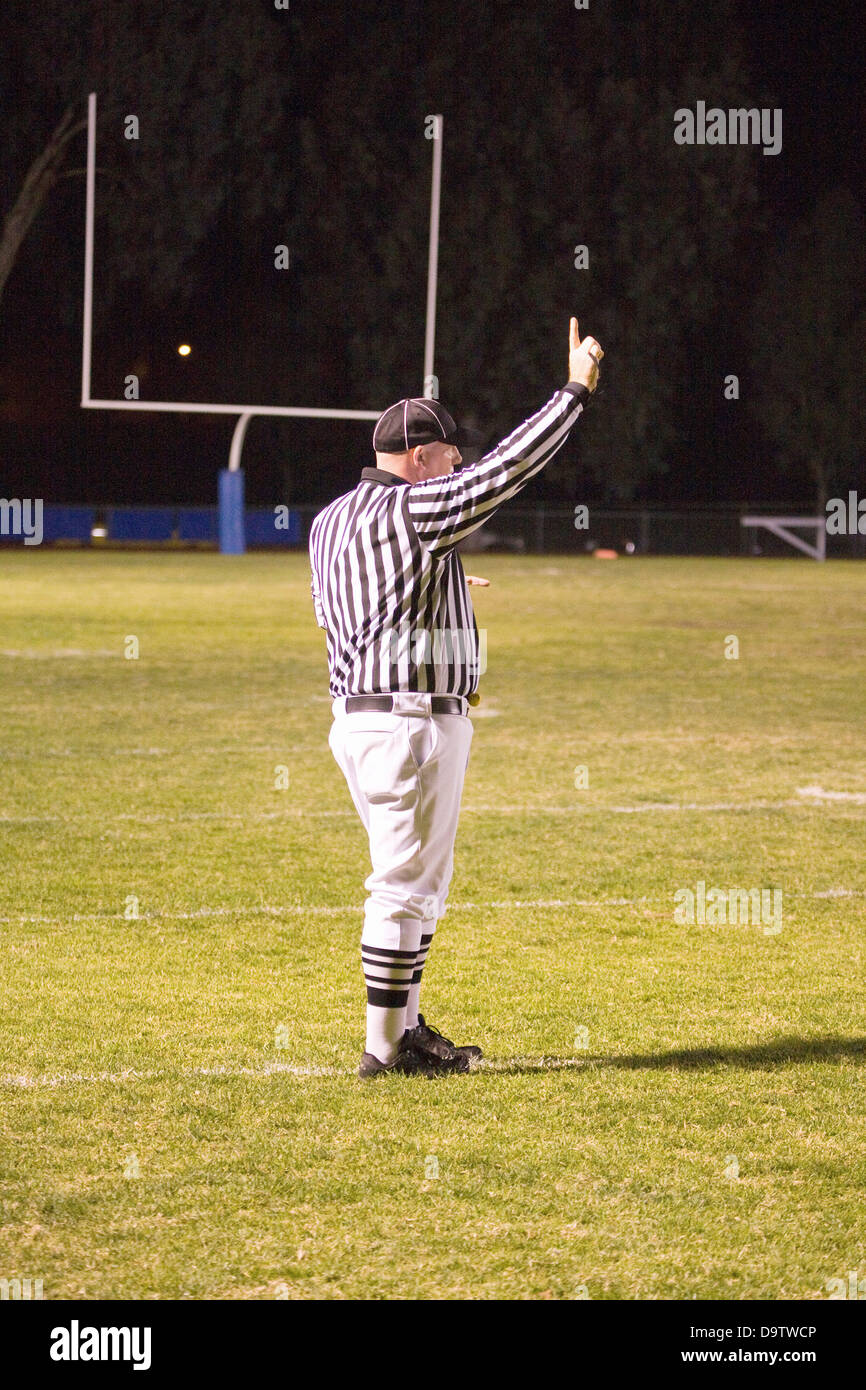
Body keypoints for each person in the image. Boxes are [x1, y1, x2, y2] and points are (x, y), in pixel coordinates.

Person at [309, 318, 603, 1077]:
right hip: (407, 723)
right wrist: (574, 391)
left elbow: (347, 603)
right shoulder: (416, 509)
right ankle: (382, 1050)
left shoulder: (332, 519)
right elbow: (506, 470)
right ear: (418, 458)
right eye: (446, 454)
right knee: (402, 885)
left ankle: (405, 1030)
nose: (457, 463)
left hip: (362, 719)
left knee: (417, 885)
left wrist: (439, 582)